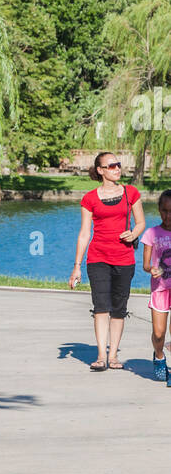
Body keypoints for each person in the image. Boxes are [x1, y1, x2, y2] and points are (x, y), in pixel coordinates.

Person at [69, 151, 144, 370]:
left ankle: (113, 356)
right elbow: (84, 233)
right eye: (111, 166)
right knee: (101, 306)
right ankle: (101, 356)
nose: (117, 169)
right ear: (100, 170)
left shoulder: (131, 192)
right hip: (98, 258)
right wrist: (76, 267)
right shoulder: (90, 198)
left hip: (124, 258)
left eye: (118, 165)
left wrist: (134, 233)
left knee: (119, 308)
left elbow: (140, 222)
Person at [141, 189, 171, 383]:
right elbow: (145, 265)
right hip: (160, 288)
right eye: (164, 210)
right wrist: (151, 268)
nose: (168, 215)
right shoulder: (152, 233)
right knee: (159, 333)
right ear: (159, 210)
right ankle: (159, 356)